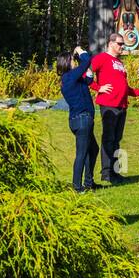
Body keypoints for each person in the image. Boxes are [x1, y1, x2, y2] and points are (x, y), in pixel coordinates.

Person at [89, 32, 139, 184]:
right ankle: (107, 174)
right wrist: (98, 87)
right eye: (119, 44)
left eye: (123, 44)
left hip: (122, 105)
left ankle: (115, 172)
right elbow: (86, 74)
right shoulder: (102, 58)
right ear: (110, 44)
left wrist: (138, 92)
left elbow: (124, 86)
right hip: (109, 105)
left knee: (117, 140)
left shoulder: (119, 63)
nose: (122, 46)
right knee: (108, 139)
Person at [58, 47, 98, 193]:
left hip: (80, 119)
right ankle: (77, 186)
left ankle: (88, 183)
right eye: (72, 60)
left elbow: (88, 79)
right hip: (82, 119)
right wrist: (79, 50)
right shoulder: (69, 77)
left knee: (92, 149)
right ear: (67, 63)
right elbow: (87, 60)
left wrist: (88, 69)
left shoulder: (72, 78)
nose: (74, 62)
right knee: (82, 153)